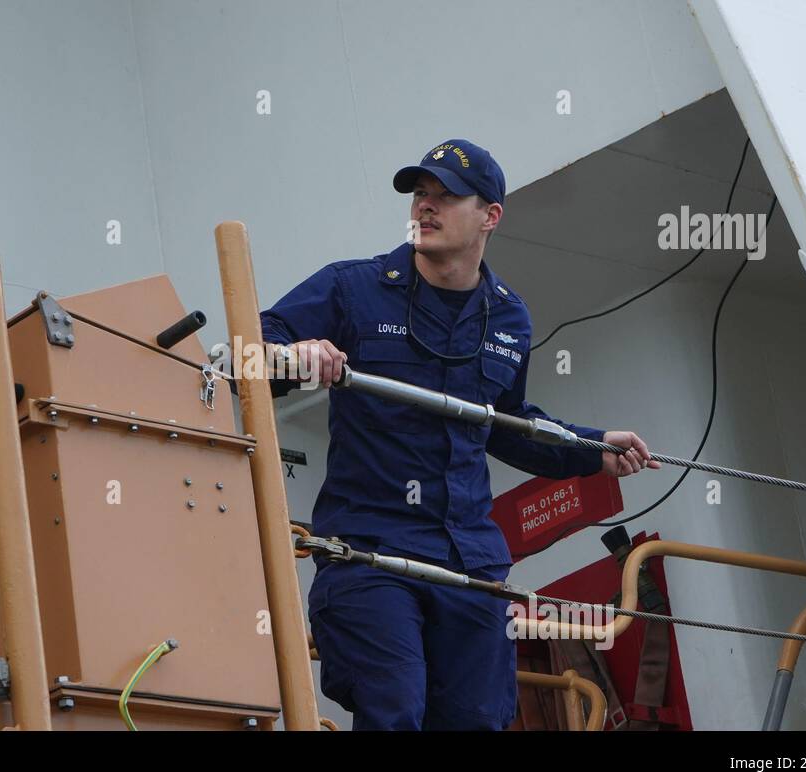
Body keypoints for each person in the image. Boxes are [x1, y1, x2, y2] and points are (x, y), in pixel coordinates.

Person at [259, 139, 659, 730]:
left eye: (446, 196)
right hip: (372, 550)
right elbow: (250, 351)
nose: (426, 206)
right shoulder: (353, 288)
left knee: (478, 720)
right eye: (422, 194)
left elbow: (508, 425)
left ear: (490, 215)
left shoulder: (510, 317)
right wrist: (294, 355)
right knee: (396, 708)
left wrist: (593, 448)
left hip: (471, 562)